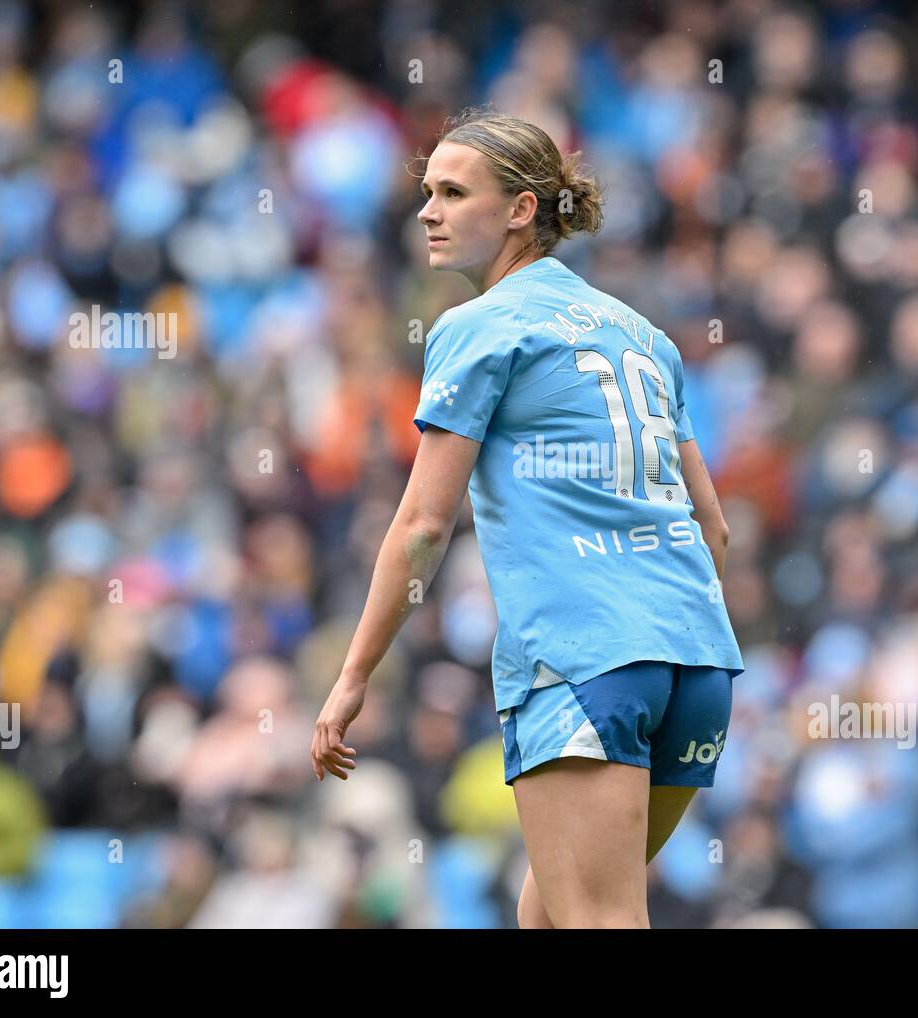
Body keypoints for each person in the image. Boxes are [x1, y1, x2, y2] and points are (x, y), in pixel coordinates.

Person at [310, 106, 743, 928]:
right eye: (426, 192)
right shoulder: (643, 334)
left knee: (601, 921)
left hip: (586, 663)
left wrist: (354, 674)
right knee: (543, 918)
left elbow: (423, 530)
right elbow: (713, 529)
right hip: (695, 667)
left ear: (520, 210)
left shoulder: (478, 328)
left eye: (451, 192)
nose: (427, 211)